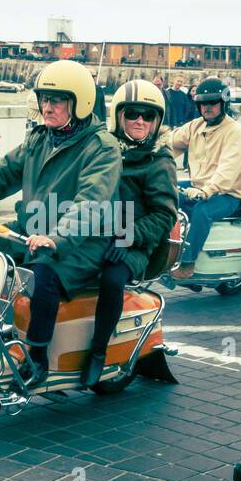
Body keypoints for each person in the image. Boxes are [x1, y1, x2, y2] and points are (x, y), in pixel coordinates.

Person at [0, 60, 121, 389]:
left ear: (80, 103)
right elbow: (4, 173)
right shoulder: (41, 138)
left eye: (57, 101)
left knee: (42, 276)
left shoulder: (102, 148)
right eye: (44, 100)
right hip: (33, 231)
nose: (47, 108)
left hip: (80, 242)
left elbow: (91, 202)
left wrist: (57, 239)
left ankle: (37, 359)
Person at [83, 79, 178, 388]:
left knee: (111, 279)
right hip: (96, 234)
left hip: (134, 244)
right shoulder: (103, 149)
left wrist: (127, 237)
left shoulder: (159, 161)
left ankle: (99, 351)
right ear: (119, 116)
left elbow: (164, 215)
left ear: (156, 122)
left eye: (147, 115)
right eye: (133, 113)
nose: (140, 120)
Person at [166, 76, 241, 280]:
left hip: (226, 195)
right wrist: (146, 155)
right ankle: (163, 249)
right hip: (197, 187)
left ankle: (187, 263)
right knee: (163, 194)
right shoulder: (196, 126)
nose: (207, 107)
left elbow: (227, 171)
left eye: (212, 102)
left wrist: (206, 191)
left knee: (202, 212)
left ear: (223, 102)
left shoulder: (234, 132)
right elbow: (170, 143)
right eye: (203, 103)